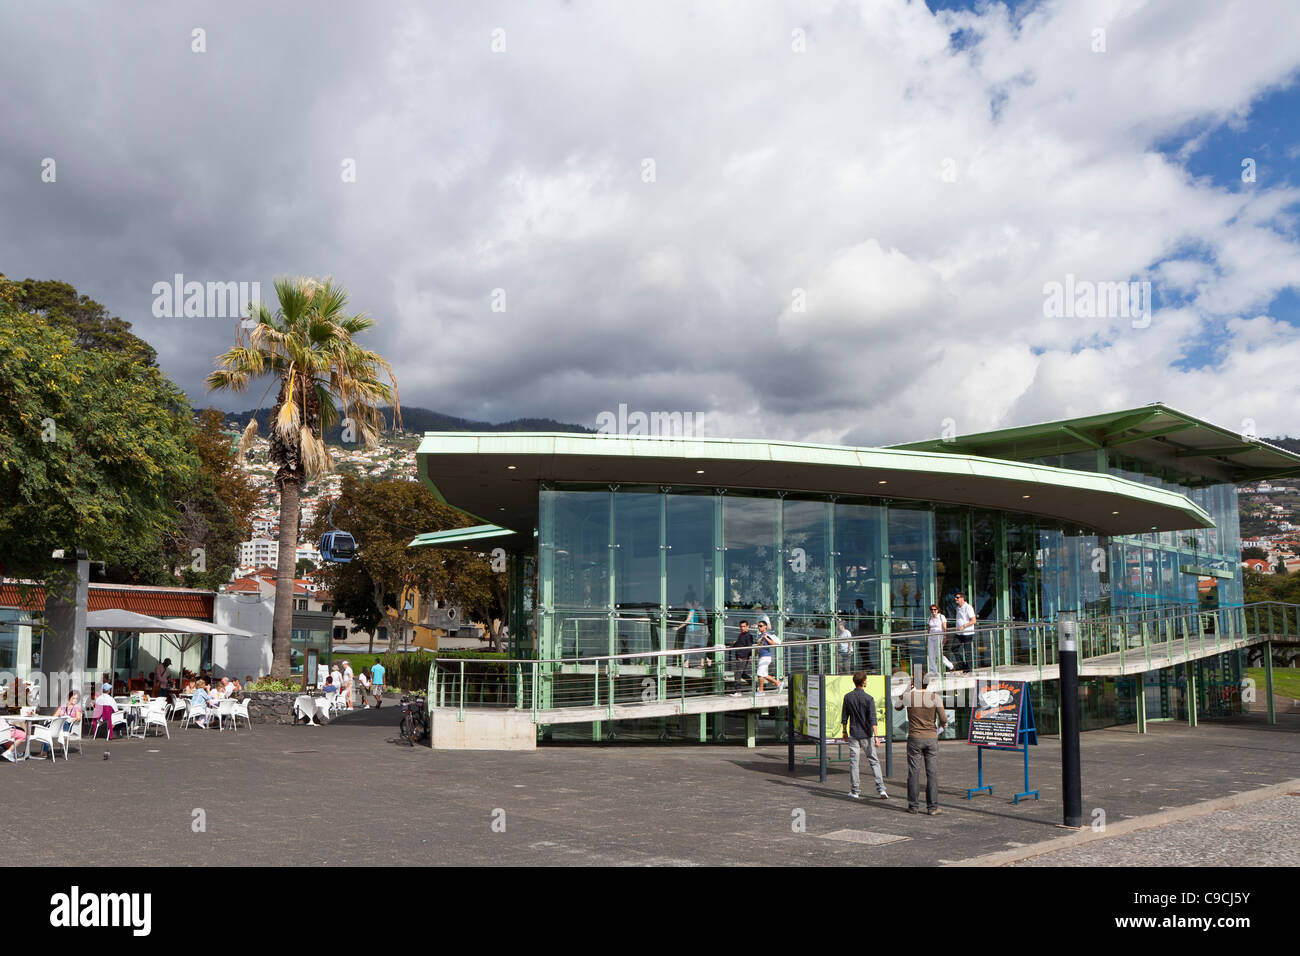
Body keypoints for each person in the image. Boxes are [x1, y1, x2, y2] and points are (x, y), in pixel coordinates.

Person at [895, 672, 948, 815]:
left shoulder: (908, 697)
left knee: (913, 772)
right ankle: (932, 807)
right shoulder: (934, 697)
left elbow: (897, 707)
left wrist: (907, 689)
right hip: (931, 738)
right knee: (932, 773)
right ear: (927, 683)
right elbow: (943, 718)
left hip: (914, 738)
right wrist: (942, 724)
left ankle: (913, 806)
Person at [841, 671, 887, 799]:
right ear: (863, 682)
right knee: (874, 761)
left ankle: (855, 791)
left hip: (854, 734)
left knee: (854, 763)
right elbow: (873, 719)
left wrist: (844, 731)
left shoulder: (848, 697)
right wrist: (877, 737)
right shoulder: (869, 698)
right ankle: (881, 789)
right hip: (867, 734)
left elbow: (845, 716)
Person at [726, 620, 754, 695]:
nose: (742, 628)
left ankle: (738, 691)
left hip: (743, 657)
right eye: (741, 626)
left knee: (738, 674)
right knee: (742, 674)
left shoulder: (748, 635)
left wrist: (745, 656)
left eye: (744, 626)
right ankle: (756, 686)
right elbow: (739, 645)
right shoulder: (741, 635)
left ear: (747, 627)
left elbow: (749, 647)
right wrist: (734, 644)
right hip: (739, 657)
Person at [755, 620, 782, 692]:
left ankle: (761, 691)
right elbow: (758, 647)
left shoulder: (767, 634)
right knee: (764, 674)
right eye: (758, 626)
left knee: (760, 674)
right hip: (761, 657)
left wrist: (766, 637)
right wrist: (754, 656)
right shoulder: (759, 636)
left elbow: (774, 644)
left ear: (765, 626)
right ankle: (778, 683)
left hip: (765, 657)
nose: (759, 627)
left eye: (761, 626)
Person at [953, 592, 976, 672]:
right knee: (954, 648)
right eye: (955, 597)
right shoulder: (958, 608)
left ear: (962, 598)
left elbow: (973, 620)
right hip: (959, 633)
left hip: (967, 633)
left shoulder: (968, 607)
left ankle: (969, 669)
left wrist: (963, 626)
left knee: (967, 652)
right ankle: (963, 666)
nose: (955, 599)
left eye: (957, 597)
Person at [927, 604, 948, 674]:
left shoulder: (941, 617)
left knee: (938, 654)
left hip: (939, 637)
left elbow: (944, 627)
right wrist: (927, 638)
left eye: (935, 609)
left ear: (938, 610)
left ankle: (949, 665)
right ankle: (934, 670)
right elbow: (929, 628)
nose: (933, 611)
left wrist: (945, 636)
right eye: (932, 610)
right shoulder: (930, 618)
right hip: (931, 637)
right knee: (930, 654)